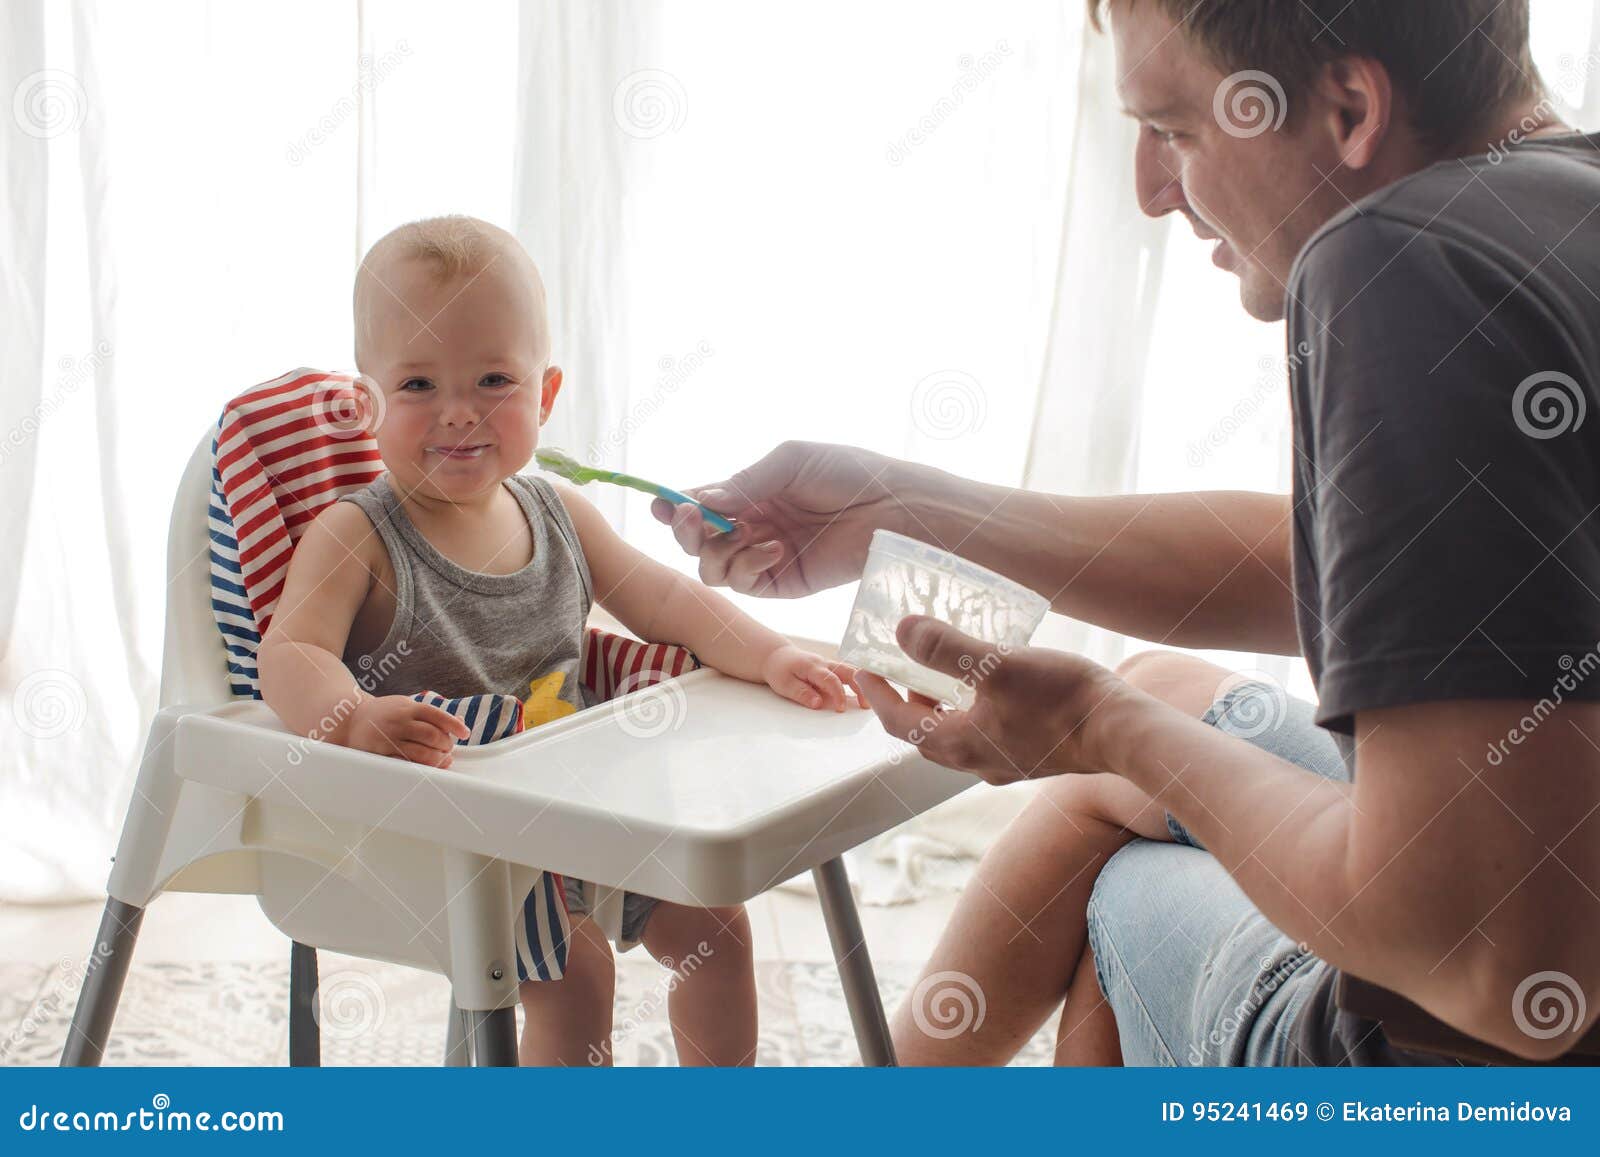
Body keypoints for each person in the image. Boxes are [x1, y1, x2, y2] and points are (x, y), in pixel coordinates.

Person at [653, 0, 1600, 1065]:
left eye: (1176, 131)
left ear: (1347, 106)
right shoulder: (1558, 204)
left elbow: (1489, 961)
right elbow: (1377, 579)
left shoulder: (1401, 263)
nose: (1152, 191)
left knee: (1123, 856)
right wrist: (901, 505)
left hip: (1470, 1070)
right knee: (1161, 694)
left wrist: (1099, 728)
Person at [258, 215, 863, 1066]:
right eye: (421, 384)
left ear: (543, 396)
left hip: (585, 815)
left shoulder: (560, 514)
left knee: (717, 927)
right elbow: (288, 654)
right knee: (576, 973)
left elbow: (669, 603)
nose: (460, 412)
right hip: (441, 836)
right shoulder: (356, 535)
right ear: (368, 405)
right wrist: (352, 715)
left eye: (493, 379)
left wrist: (770, 654)